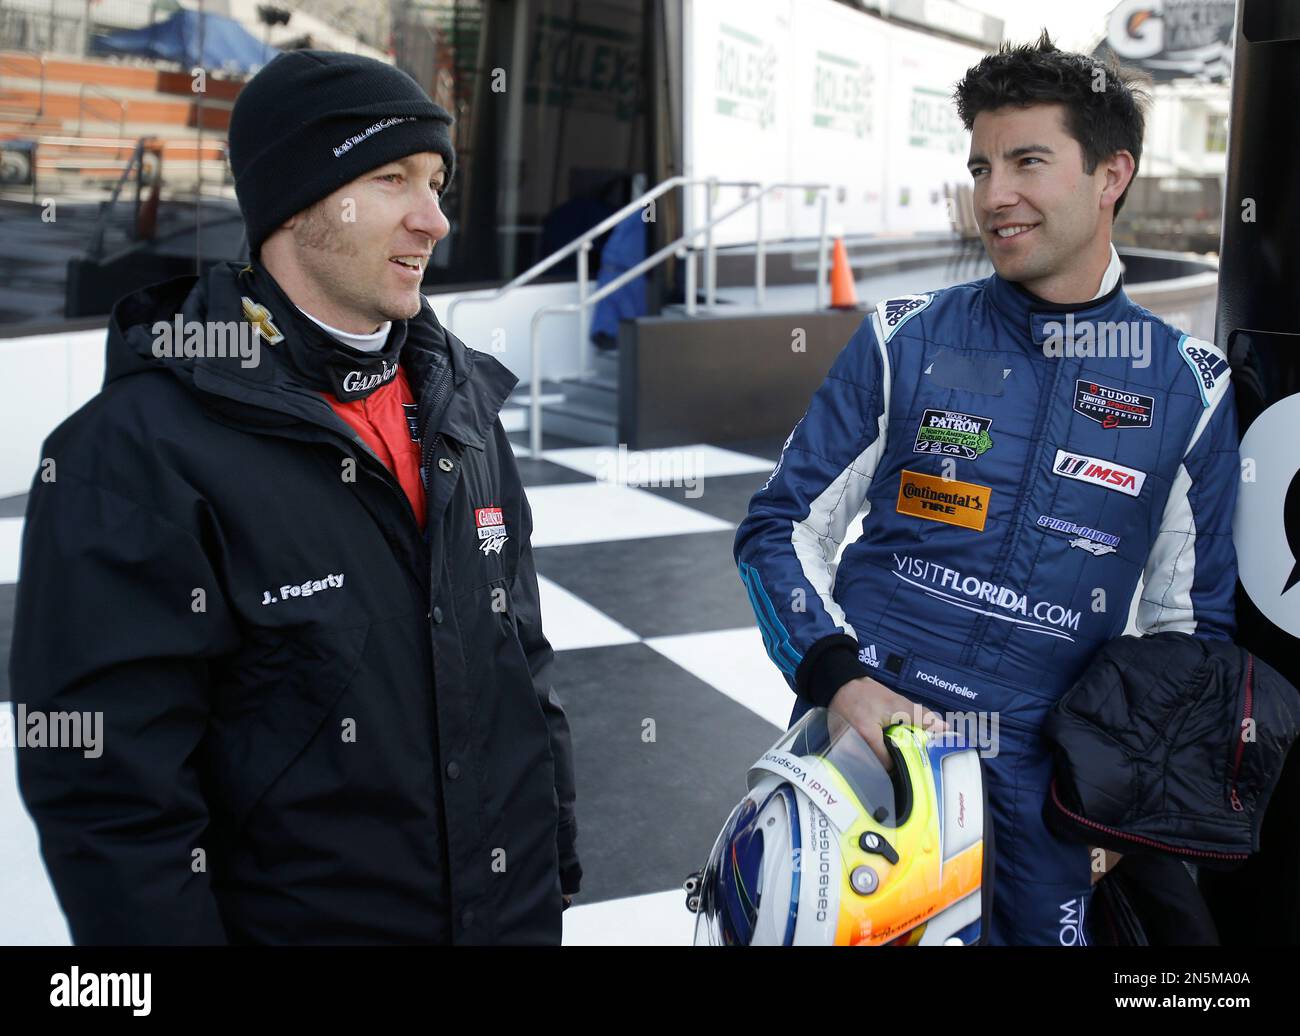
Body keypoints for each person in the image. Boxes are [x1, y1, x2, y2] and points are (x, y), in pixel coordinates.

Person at [10, 50, 580, 945]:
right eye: (393, 177)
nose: (433, 218)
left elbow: (522, 661)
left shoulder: (462, 403)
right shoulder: (134, 455)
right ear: (296, 201)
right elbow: (112, 806)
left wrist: (553, 870)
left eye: (437, 180)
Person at [733, 32, 1238, 946]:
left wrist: (1129, 803)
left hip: (1051, 791)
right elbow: (777, 530)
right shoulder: (905, 336)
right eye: (980, 165)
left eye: (1027, 162)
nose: (993, 194)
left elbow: (1189, 635)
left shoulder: (1188, 389)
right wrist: (840, 681)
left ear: (1111, 174)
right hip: (871, 762)